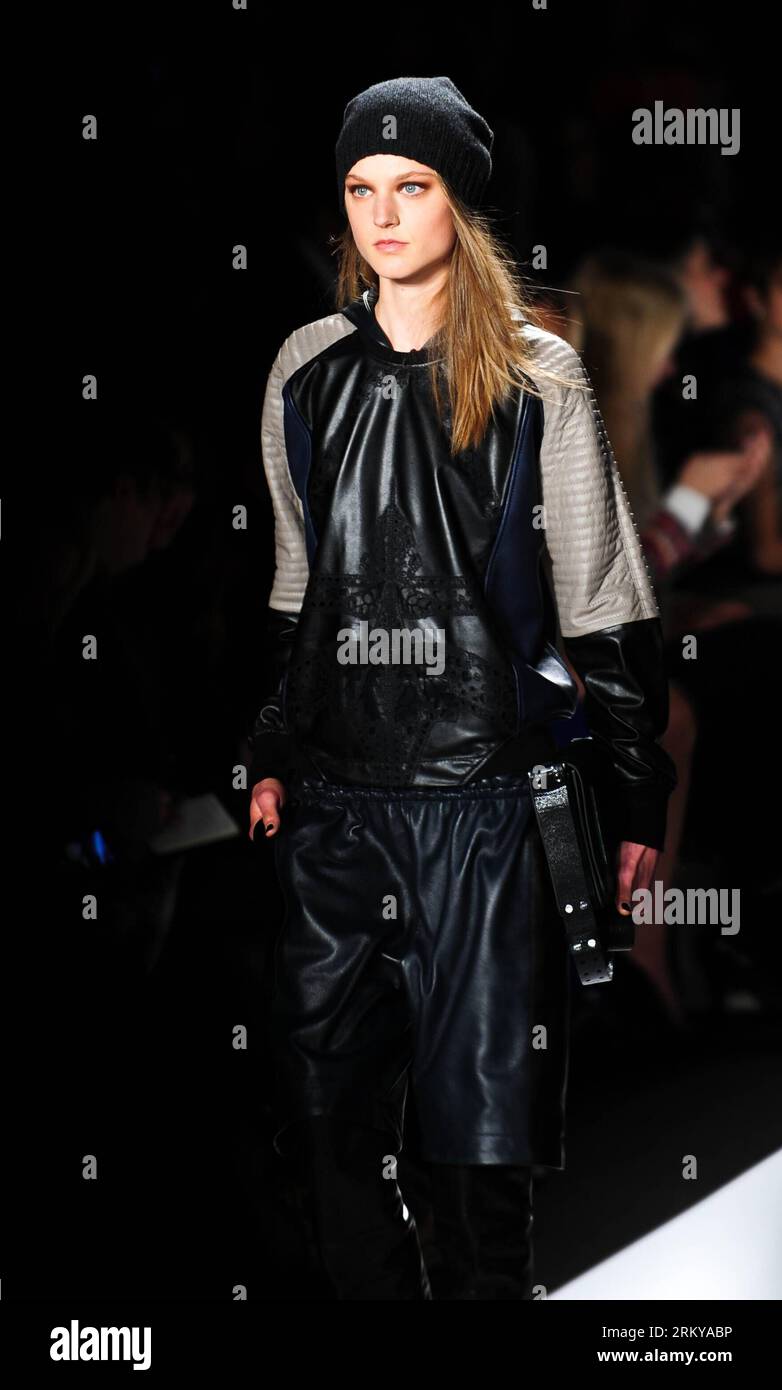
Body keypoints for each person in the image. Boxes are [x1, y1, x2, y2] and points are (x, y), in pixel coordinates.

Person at [246, 76, 677, 1299]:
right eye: (359, 188)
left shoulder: (539, 376)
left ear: (461, 203)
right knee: (324, 1140)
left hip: (487, 813)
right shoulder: (303, 369)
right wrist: (272, 742)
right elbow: (296, 588)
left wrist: (635, 793)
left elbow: (600, 597)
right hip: (338, 812)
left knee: (478, 1174)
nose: (381, 214)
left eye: (412, 185)